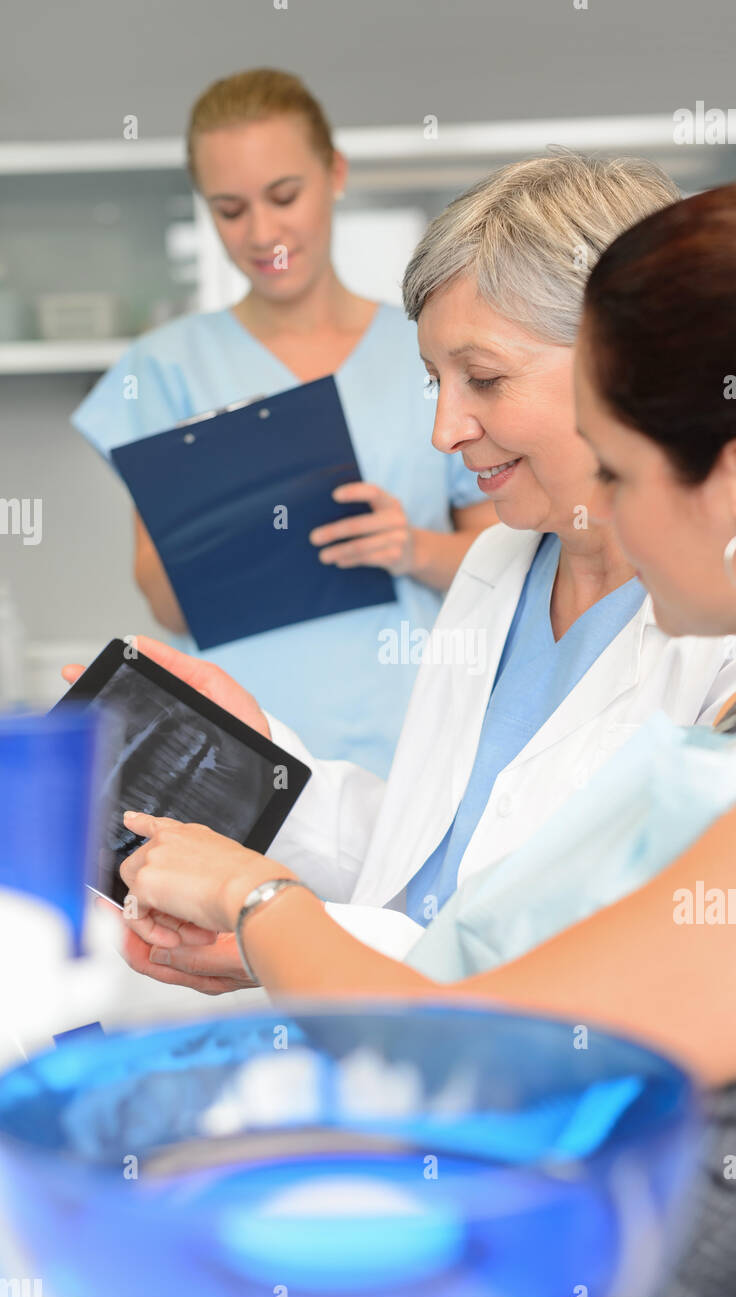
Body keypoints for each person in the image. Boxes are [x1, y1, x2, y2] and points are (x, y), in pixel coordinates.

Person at [113, 178, 736, 1297]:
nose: (445, 431)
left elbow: (483, 1047)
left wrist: (266, 912)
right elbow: (469, 905)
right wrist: (275, 790)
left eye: (618, 468)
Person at [63, 152, 736, 948]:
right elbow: (430, 867)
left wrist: (283, 931)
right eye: (435, 381)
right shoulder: (499, 565)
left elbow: (608, 959)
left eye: (484, 378)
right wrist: (261, 763)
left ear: (635, 362)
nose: (445, 433)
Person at [71, 68, 496, 777]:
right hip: (236, 747)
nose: (262, 232)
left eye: (284, 196)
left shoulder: (428, 350)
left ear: (334, 173)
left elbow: (501, 567)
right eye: (230, 209)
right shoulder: (167, 367)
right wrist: (218, 508)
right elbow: (167, 605)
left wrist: (409, 547)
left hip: (410, 746)